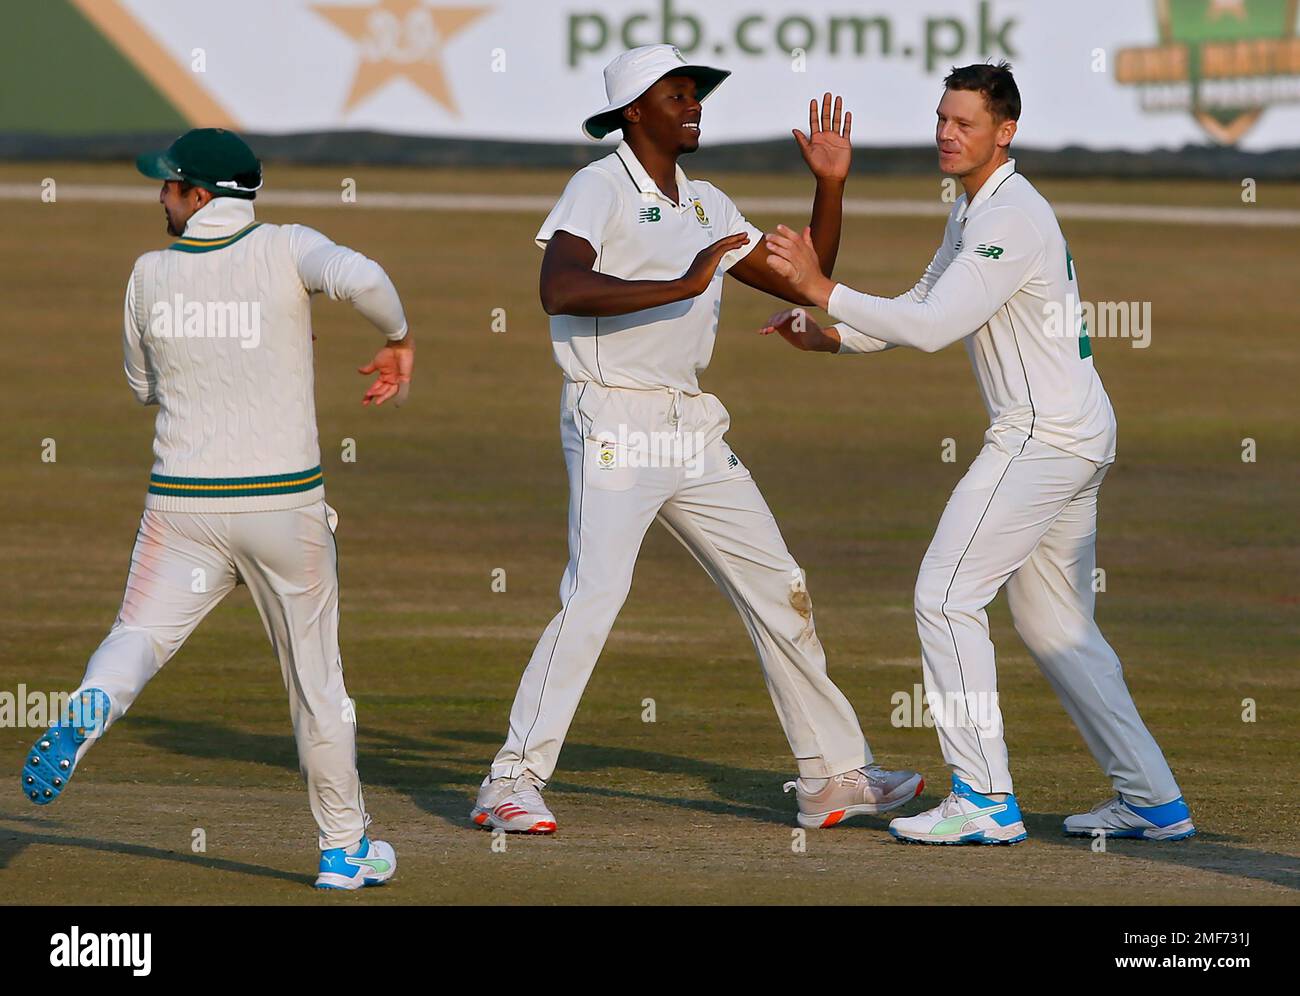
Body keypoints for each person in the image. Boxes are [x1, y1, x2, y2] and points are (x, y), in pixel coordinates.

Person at [473, 44, 923, 835]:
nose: (693, 104)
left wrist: (830, 185)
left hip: (692, 426)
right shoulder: (598, 185)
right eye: (675, 94)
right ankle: (509, 780)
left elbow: (806, 279)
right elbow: (559, 288)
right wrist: (683, 283)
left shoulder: (708, 202)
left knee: (781, 587)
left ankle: (831, 778)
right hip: (613, 419)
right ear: (631, 112)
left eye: (696, 93)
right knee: (595, 597)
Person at [760, 62, 1194, 845]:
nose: (946, 134)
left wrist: (821, 286)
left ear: (1006, 132)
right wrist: (832, 336)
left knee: (944, 597)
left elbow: (929, 329)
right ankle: (1153, 799)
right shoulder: (973, 208)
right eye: (941, 119)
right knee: (1058, 628)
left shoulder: (1009, 219)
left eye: (965, 123)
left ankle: (985, 800)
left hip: (1044, 439)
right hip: (1076, 434)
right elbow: (924, 305)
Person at [19, 128, 415, 887]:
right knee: (317, 686)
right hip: (283, 509)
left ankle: (88, 708)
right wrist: (397, 337)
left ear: (200, 197)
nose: (159, 198)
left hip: (182, 507)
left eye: (167, 187)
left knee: (136, 635)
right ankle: (342, 849)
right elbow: (364, 276)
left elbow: (141, 388)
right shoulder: (288, 246)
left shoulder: (146, 274)